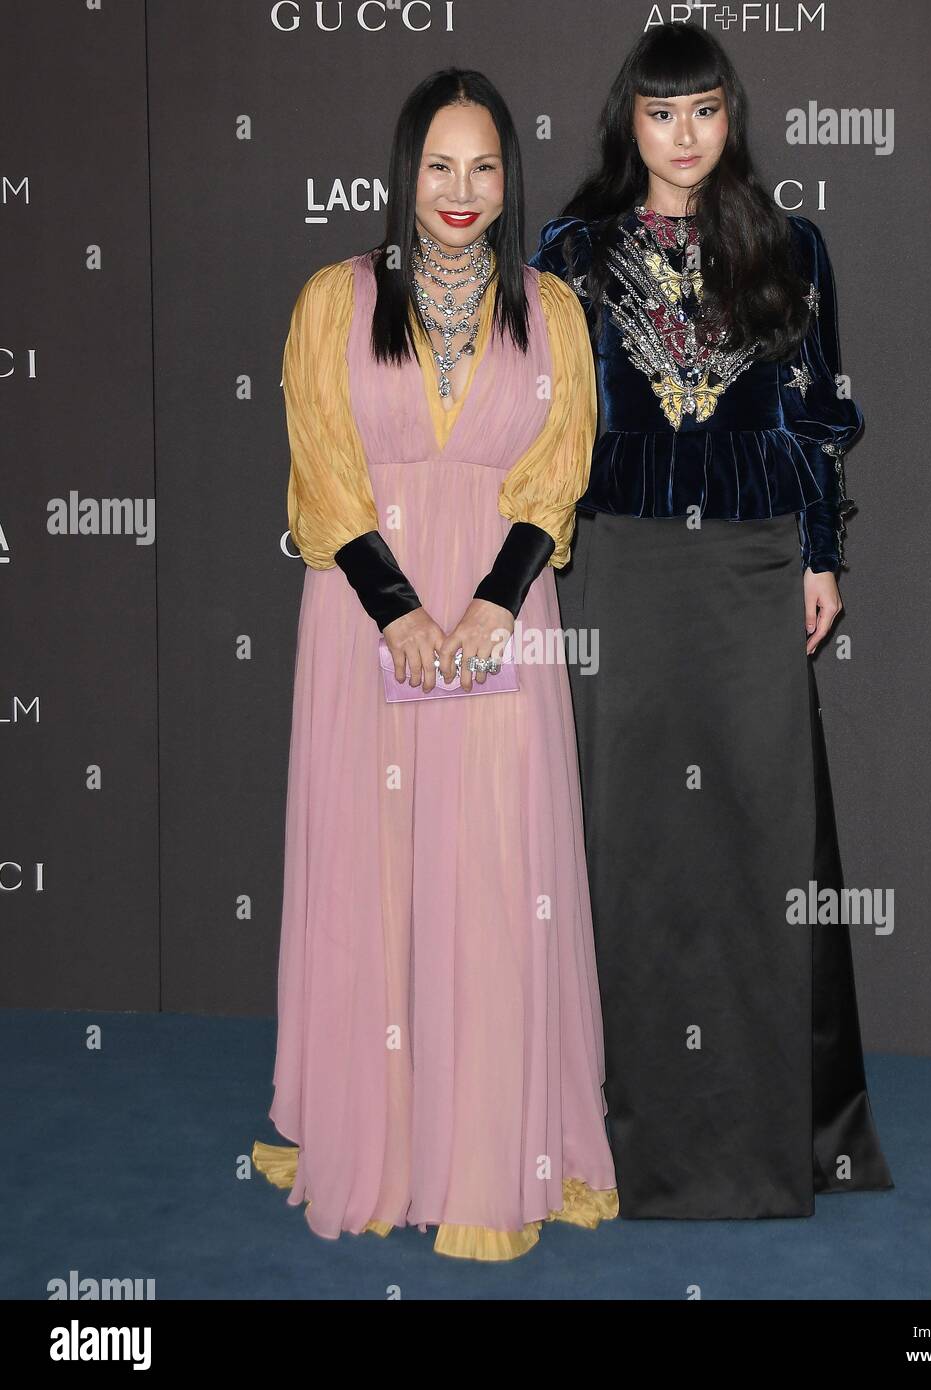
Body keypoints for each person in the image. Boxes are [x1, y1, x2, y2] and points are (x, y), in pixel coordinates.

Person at [528, 23, 894, 1218]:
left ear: (729, 118)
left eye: (702, 112)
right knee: (626, 844)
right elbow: (549, 424)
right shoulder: (570, 253)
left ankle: (776, 1133)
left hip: (749, 571)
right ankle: (619, 1139)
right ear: (624, 123)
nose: (682, 138)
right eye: (658, 113)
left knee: (757, 840)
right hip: (625, 569)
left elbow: (816, 416)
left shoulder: (788, 246)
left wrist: (820, 556)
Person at [251, 69, 618, 1261]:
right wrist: (404, 613)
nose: (459, 193)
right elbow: (322, 465)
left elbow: (553, 472)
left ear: (510, 181)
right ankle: (386, 1141)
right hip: (367, 627)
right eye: (437, 165)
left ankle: (490, 1148)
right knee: (380, 873)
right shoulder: (335, 300)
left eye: (484, 168)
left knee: (498, 877)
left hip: (503, 629)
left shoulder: (549, 309)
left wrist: (488, 611)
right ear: (404, 171)